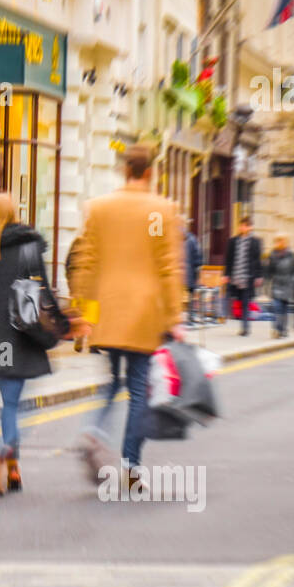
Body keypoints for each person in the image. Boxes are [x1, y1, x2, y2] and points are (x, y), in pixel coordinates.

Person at [69, 144, 185, 494]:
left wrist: (83, 315)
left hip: (108, 313)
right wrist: (175, 315)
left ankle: (94, 431)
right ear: (149, 172)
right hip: (143, 317)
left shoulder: (100, 209)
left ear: (124, 170)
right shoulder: (159, 210)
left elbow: (84, 265)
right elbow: (167, 267)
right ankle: (132, 469)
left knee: (111, 382)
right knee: (138, 391)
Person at [0, 193, 54, 495]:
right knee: (20, 406)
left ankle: (13, 469)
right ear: (14, 212)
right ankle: (3, 449)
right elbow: (41, 289)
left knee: (9, 402)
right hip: (24, 333)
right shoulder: (28, 246)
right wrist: (61, 323)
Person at [223, 216, 264, 337]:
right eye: (241, 225)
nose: (242, 227)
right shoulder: (233, 241)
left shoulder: (255, 242)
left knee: (246, 302)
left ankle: (245, 327)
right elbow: (228, 260)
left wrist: (259, 276)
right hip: (236, 276)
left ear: (250, 227)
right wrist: (226, 275)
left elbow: (258, 260)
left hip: (248, 276)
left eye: (245, 225)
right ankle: (242, 324)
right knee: (239, 301)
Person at [266, 233, 294, 339]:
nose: (279, 243)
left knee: (284, 308)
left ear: (285, 242)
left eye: (281, 240)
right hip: (277, 284)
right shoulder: (273, 254)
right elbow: (269, 270)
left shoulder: (291, 255)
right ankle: (277, 328)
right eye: (277, 241)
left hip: (287, 284)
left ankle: (283, 329)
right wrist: (266, 281)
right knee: (276, 306)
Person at [184, 218, 202, 326]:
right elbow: (198, 258)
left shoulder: (174, 238)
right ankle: (190, 317)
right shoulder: (192, 238)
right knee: (190, 296)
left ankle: (188, 317)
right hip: (189, 273)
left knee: (185, 296)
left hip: (181, 274)